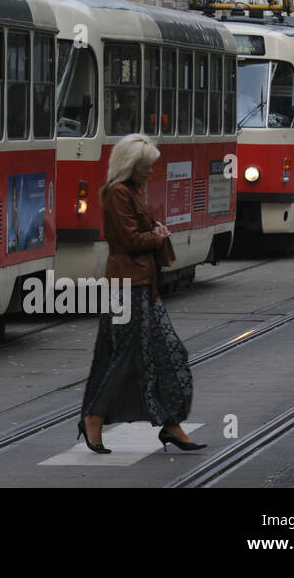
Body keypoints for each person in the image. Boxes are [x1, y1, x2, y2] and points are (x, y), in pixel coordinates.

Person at [78, 134, 205, 455]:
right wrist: (157, 235)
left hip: (141, 286)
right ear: (129, 166)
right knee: (128, 358)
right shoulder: (118, 193)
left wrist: (153, 233)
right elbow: (131, 240)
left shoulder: (130, 192)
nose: (150, 171)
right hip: (127, 287)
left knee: (163, 352)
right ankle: (95, 417)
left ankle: (171, 425)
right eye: (144, 166)